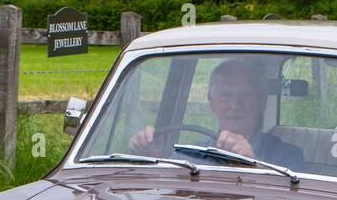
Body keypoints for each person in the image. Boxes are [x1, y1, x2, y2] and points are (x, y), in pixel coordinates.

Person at [128, 59, 304, 170]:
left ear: (262, 102)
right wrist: (154, 159)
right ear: (212, 102)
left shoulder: (287, 156)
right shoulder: (191, 154)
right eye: (225, 95)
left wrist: (253, 163)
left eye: (246, 95)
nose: (235, 105)